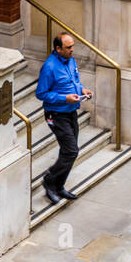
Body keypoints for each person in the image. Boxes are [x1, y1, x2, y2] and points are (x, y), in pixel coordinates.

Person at [35, 33, 93, 203]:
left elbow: (75, 81)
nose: (72, 50)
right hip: (56, 114)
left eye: (72, 46)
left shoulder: (71, 61)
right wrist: (64, 98)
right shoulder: (49, 67)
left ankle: (58, 186)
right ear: (58, 49)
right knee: (71, 150)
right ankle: (49, 181)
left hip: (71, 111)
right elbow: (41, 93)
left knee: (70, 151)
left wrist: (82, 90)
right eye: (68, 47)